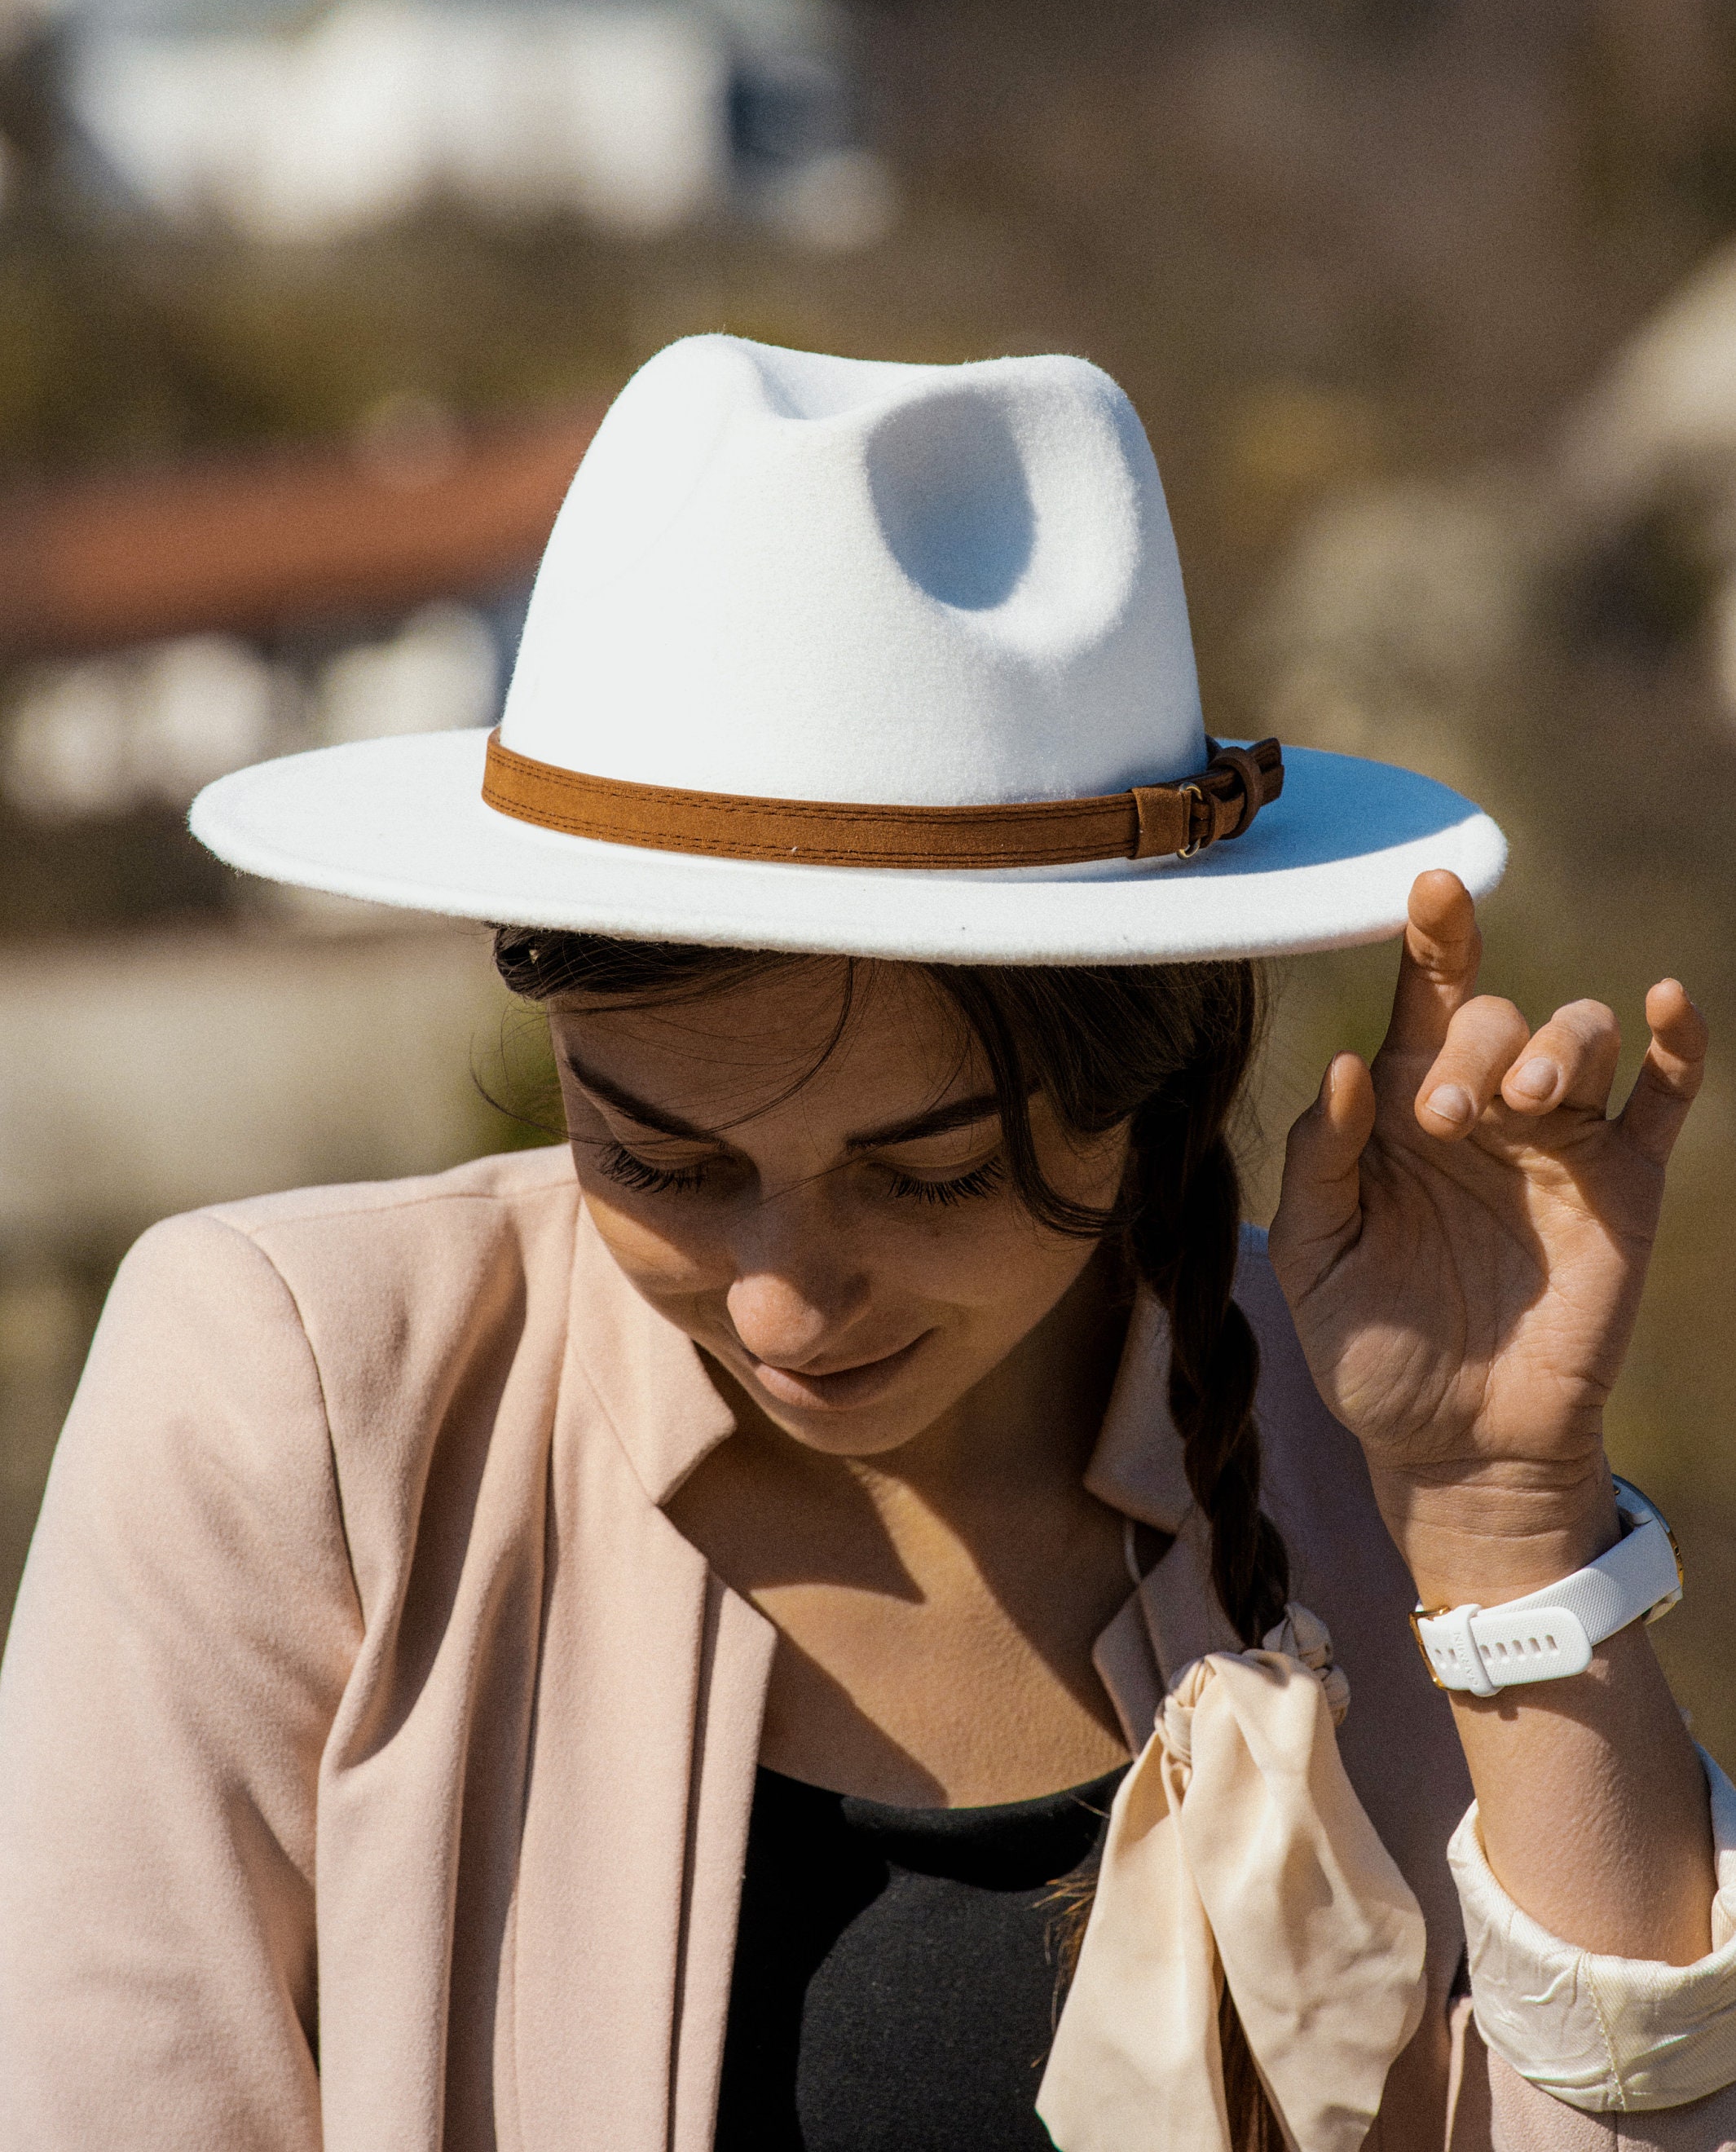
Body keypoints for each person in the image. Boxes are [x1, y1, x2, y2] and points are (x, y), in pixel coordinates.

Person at [1, 336, 1733, 2152]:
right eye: (657, 1156)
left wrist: (1510, 1526)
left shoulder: (1379, 1453)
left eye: (927, 1180)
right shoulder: (298, 1407)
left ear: (1150, 1082)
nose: (781, 1296)